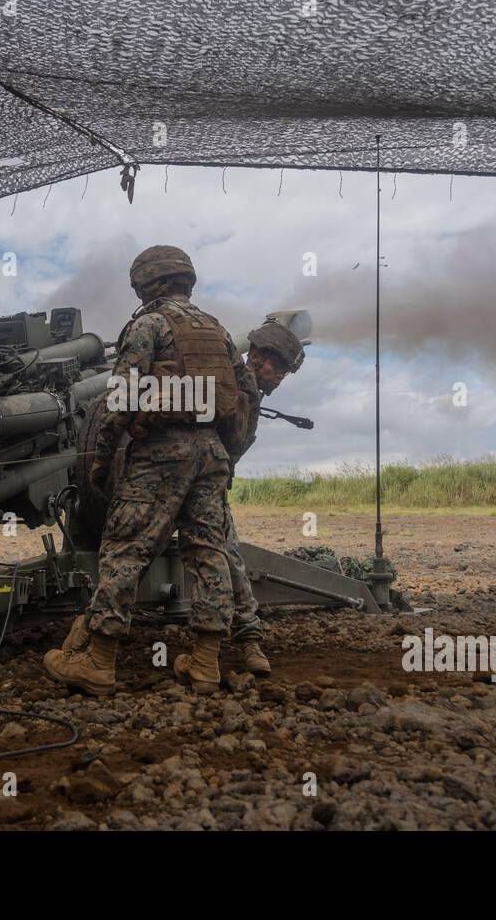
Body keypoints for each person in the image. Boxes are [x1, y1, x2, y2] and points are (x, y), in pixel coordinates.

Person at [44, 245, 247, 696]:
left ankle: (99, 662)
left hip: (162, 451)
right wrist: (223, 452)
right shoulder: (218, 330)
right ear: (186, 281)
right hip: (211, 451)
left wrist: (101, 456)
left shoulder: (149, 325)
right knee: (208, 551)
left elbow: (121, 397)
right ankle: (206, 665)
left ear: (148, 285)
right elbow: (242, 395)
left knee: (124, 547)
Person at [225, 320, 306, 676]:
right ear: (258, 357)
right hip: (198, 485)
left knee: (226, 557)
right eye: (280, 371)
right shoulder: (237, 389)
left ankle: (245, 644)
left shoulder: (236, 386)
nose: (278, 380)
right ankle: (247, 645)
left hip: (197, 484)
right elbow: (234, 447)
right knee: (226, 558)